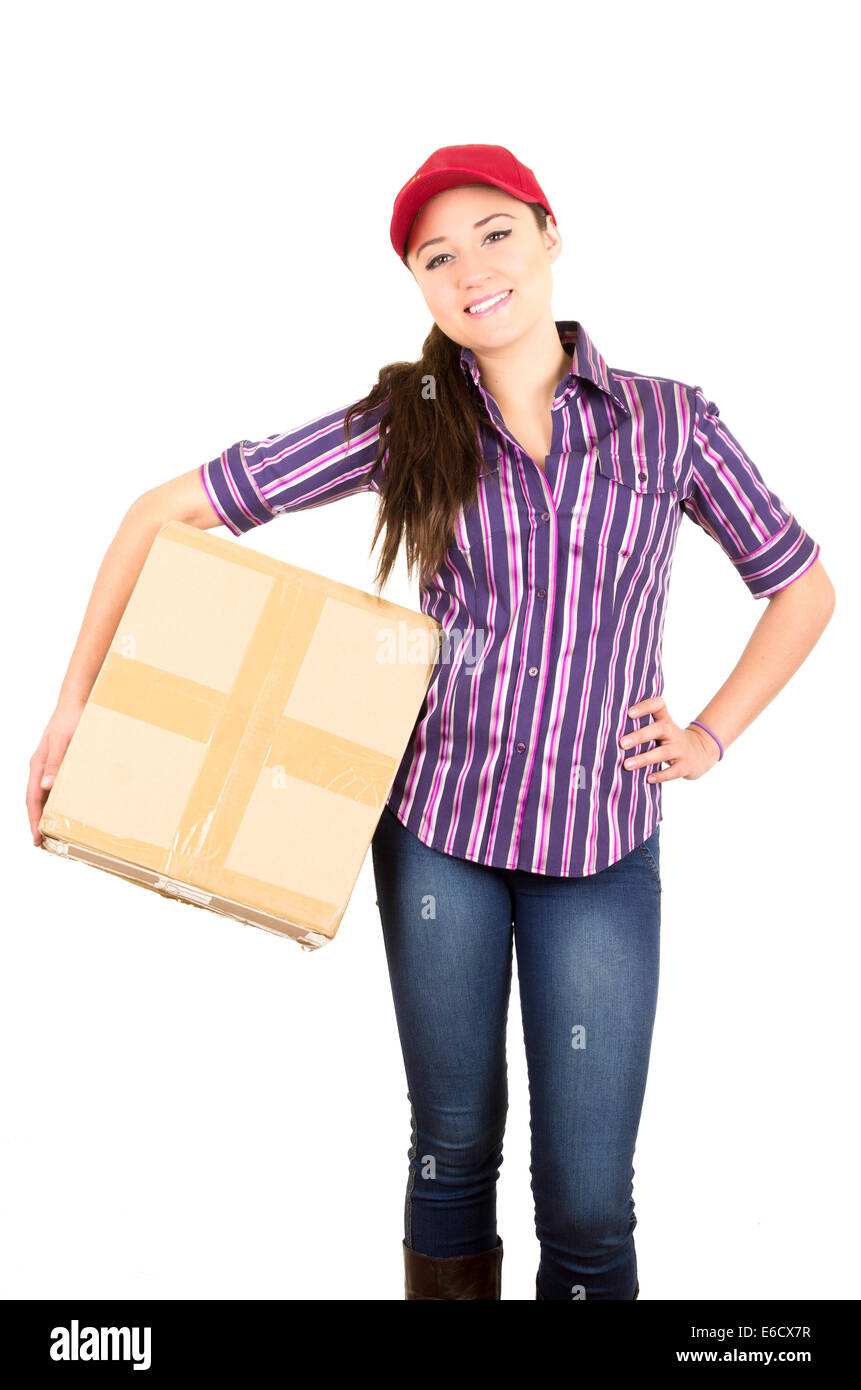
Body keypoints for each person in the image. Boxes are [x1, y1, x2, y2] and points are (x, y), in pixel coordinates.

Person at [27, 144, 835, 1301]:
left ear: (551, 235)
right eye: (435, 256)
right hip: (439, 834)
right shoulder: (407, 418)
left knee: (592, 1199)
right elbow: (161, 511)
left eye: (494, 234)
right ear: (420, 285)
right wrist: (75, 709)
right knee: (452, 1148)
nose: (470, 270)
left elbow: (801, 584)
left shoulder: (669, 422)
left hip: (602, 847)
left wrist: (709, 735)